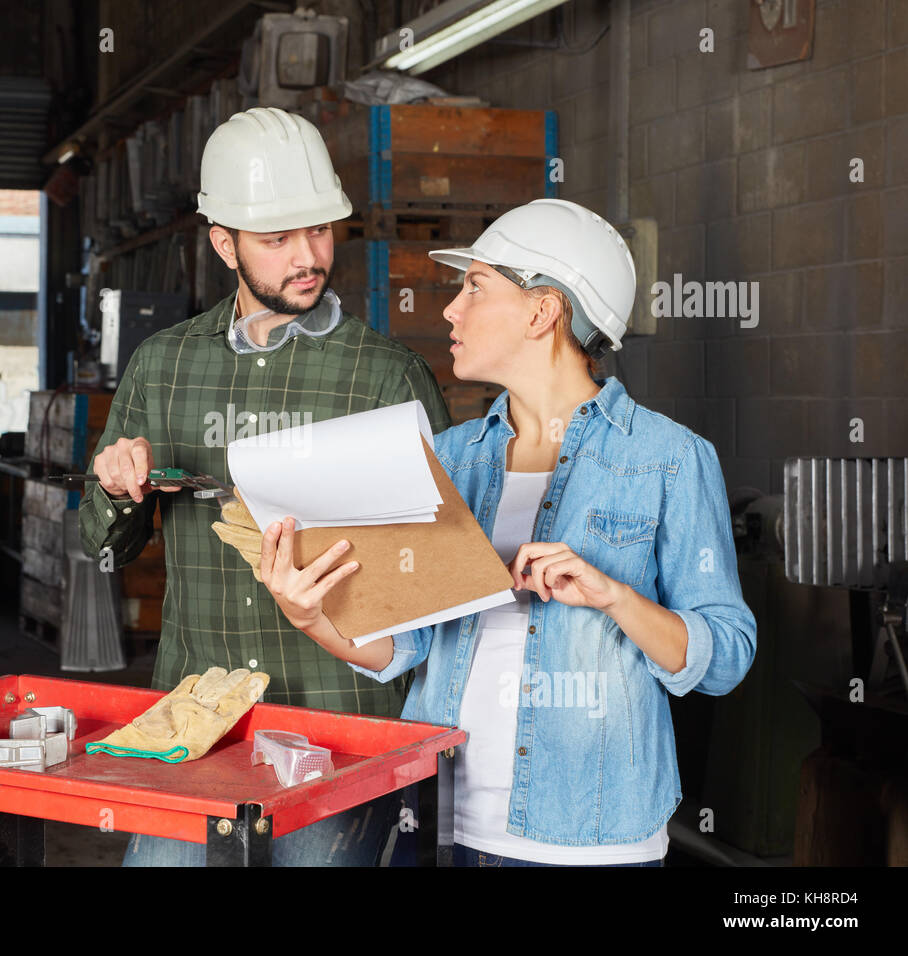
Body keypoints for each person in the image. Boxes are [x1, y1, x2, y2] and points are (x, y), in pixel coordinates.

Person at [259, 198, 757, 866]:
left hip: (587, 844)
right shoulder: (451, 458)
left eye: (474, 287)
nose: (449, 310)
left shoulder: (668, 459)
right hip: (435, 821)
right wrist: (313, 617)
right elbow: (404, 644)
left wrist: (617, 598)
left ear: (542, 310)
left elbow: (726, 658)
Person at [78, 106, 451, 866]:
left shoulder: (386, 376)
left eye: (319, 230)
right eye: (278, 240)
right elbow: (104, 543)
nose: (308, 256)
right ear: (225, 242)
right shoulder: (165, 365)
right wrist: (118, 487)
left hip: (340, 728)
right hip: (198, 720)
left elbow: (439, 575)